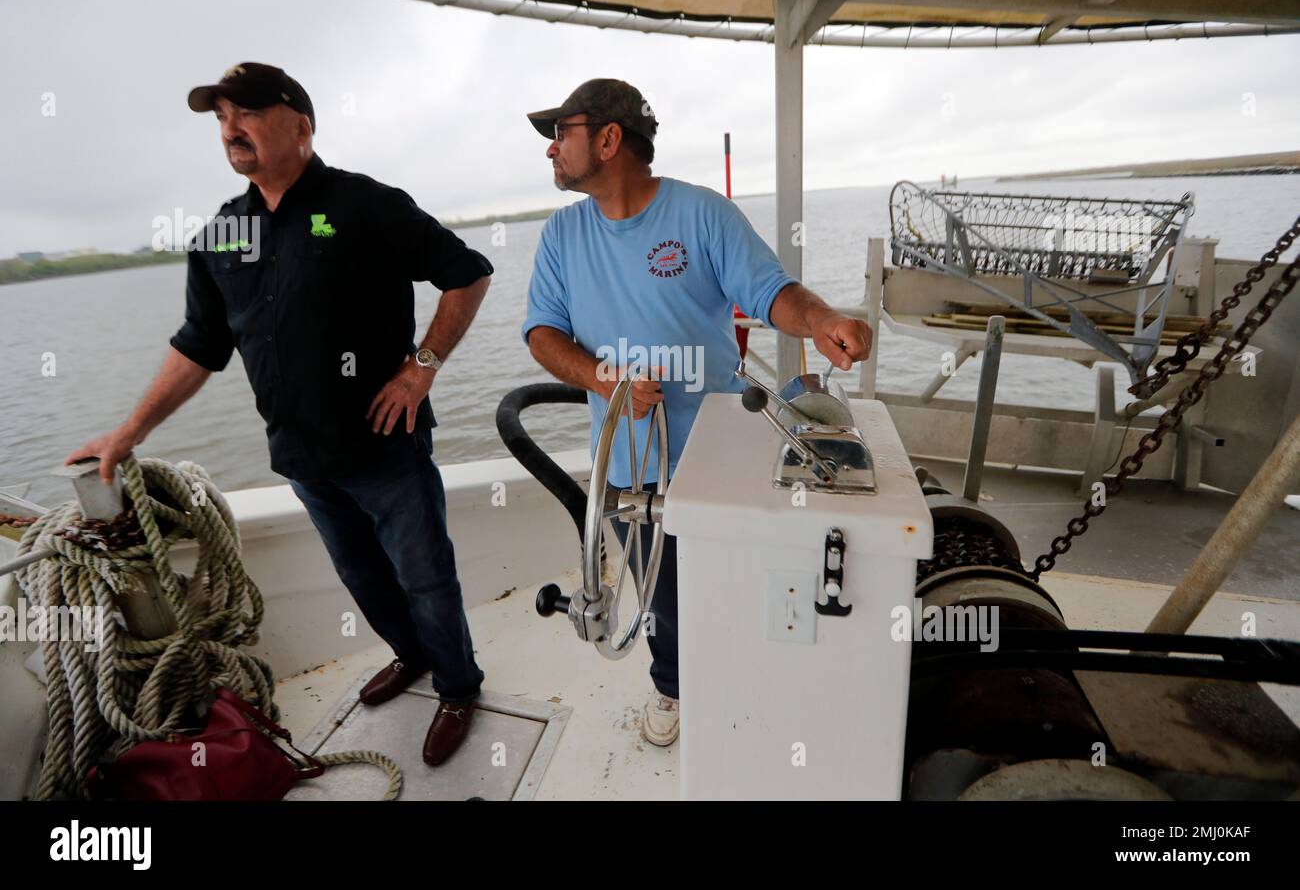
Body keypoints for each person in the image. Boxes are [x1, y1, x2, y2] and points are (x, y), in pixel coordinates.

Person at [67, 63, 493, 766]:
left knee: (425, 576)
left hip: (387, 445)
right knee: (361, 577)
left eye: (249, 112)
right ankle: (412, 657)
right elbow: (198, 348)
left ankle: (457, 687)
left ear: (301, 124)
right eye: (221, 118)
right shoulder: (221, 237)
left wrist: (420, 369)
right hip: (301, 456)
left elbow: (468, 272)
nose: (232, 128)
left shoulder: (366, 205)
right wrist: (129, 432)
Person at [521, 78, 871, 746]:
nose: (550, 152)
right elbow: (543, 333)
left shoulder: (702, 214)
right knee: (663, 600)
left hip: (722, 455)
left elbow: (770, 292)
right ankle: (674, 687)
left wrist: (822, 318)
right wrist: (603, 378)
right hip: (627, 464)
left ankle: (752, 677)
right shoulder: (562, 235)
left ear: (608, 138)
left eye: (558, 133)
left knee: (740, 580)